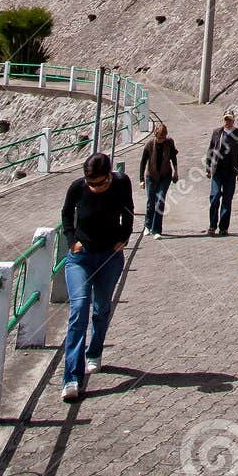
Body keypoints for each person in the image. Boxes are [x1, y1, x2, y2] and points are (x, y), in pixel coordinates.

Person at [59, 151, 134, 402]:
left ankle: (94, 352)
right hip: (81, 258)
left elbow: (129, 211)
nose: (96, 188)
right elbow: (66, 215)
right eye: (91, 184)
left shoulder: (122, 183)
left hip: (110, 257)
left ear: (110, 175)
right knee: (79, 309)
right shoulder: (77, 188)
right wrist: (72, 242)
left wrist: (124, 238)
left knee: (101, 309)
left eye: (100, 183)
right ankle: (71, 378)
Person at [205, 111, 238, 236]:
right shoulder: (217, 132)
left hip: (230, 172)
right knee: (215, 196)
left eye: (230, 120)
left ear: (233, 121)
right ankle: (212, 226)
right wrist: (208, 168)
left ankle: (223, 227)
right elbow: (211, 149)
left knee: (227, 199)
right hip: (217, 170)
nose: (227, 122)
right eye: (226, 119)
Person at [139, 121, 178, 237]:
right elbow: (143, 162)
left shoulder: (169, 143)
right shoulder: (149, 145)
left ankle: (157, 230)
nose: (161, 139)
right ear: (155, 135)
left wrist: (176, 171)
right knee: (151, 202)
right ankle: (148, 225)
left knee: (160, 201)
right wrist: (141, 179)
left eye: (163, 137)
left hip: (165, 176)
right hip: (151, 176)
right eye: (159, 137)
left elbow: (173, 158)